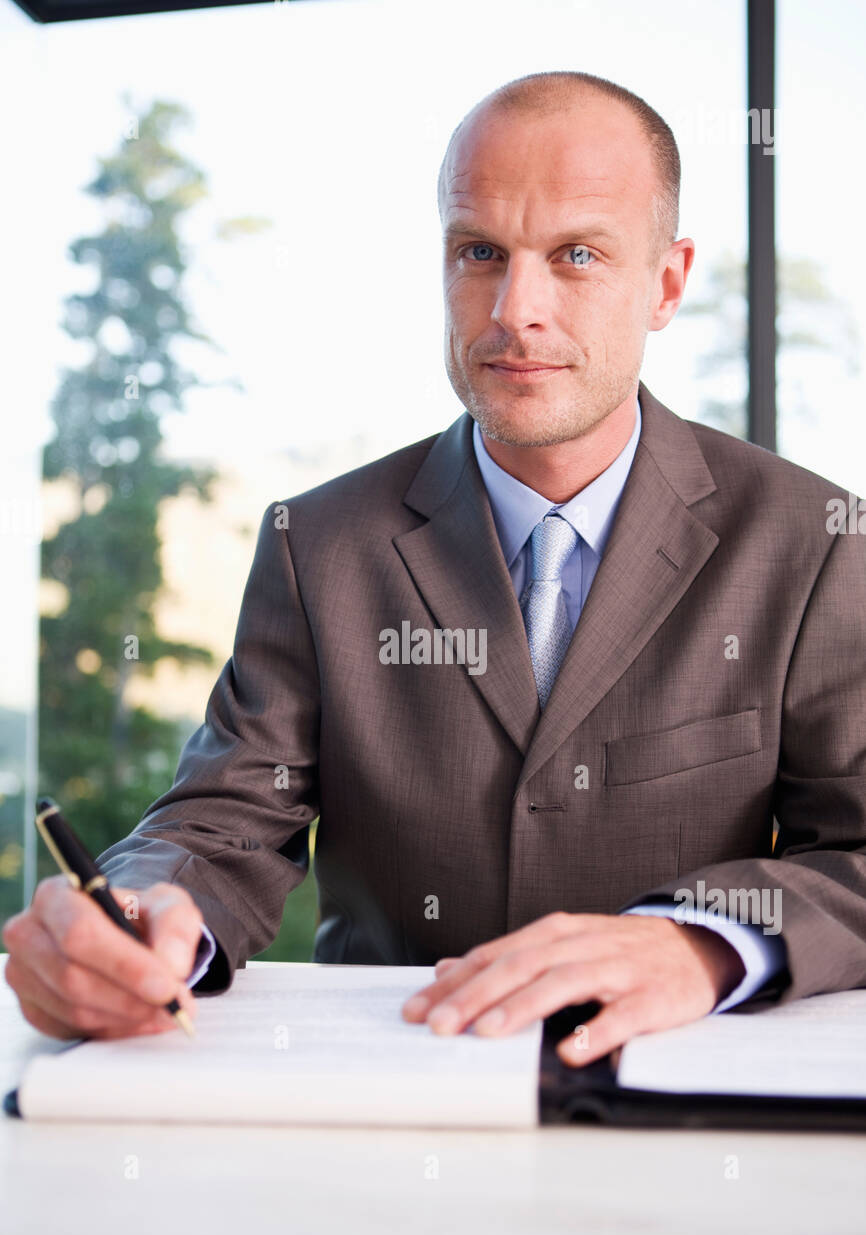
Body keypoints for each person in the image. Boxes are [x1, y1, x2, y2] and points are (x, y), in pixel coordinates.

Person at [5, 71, 865, 1071]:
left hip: (683, 1093)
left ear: (666, 283)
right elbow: (222, 820)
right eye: (479, 253)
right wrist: (145, 918)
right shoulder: (319, 541)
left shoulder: (813, 541)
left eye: (575, 255)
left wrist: (700, 942)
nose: (514, 310)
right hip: (384, 1085)